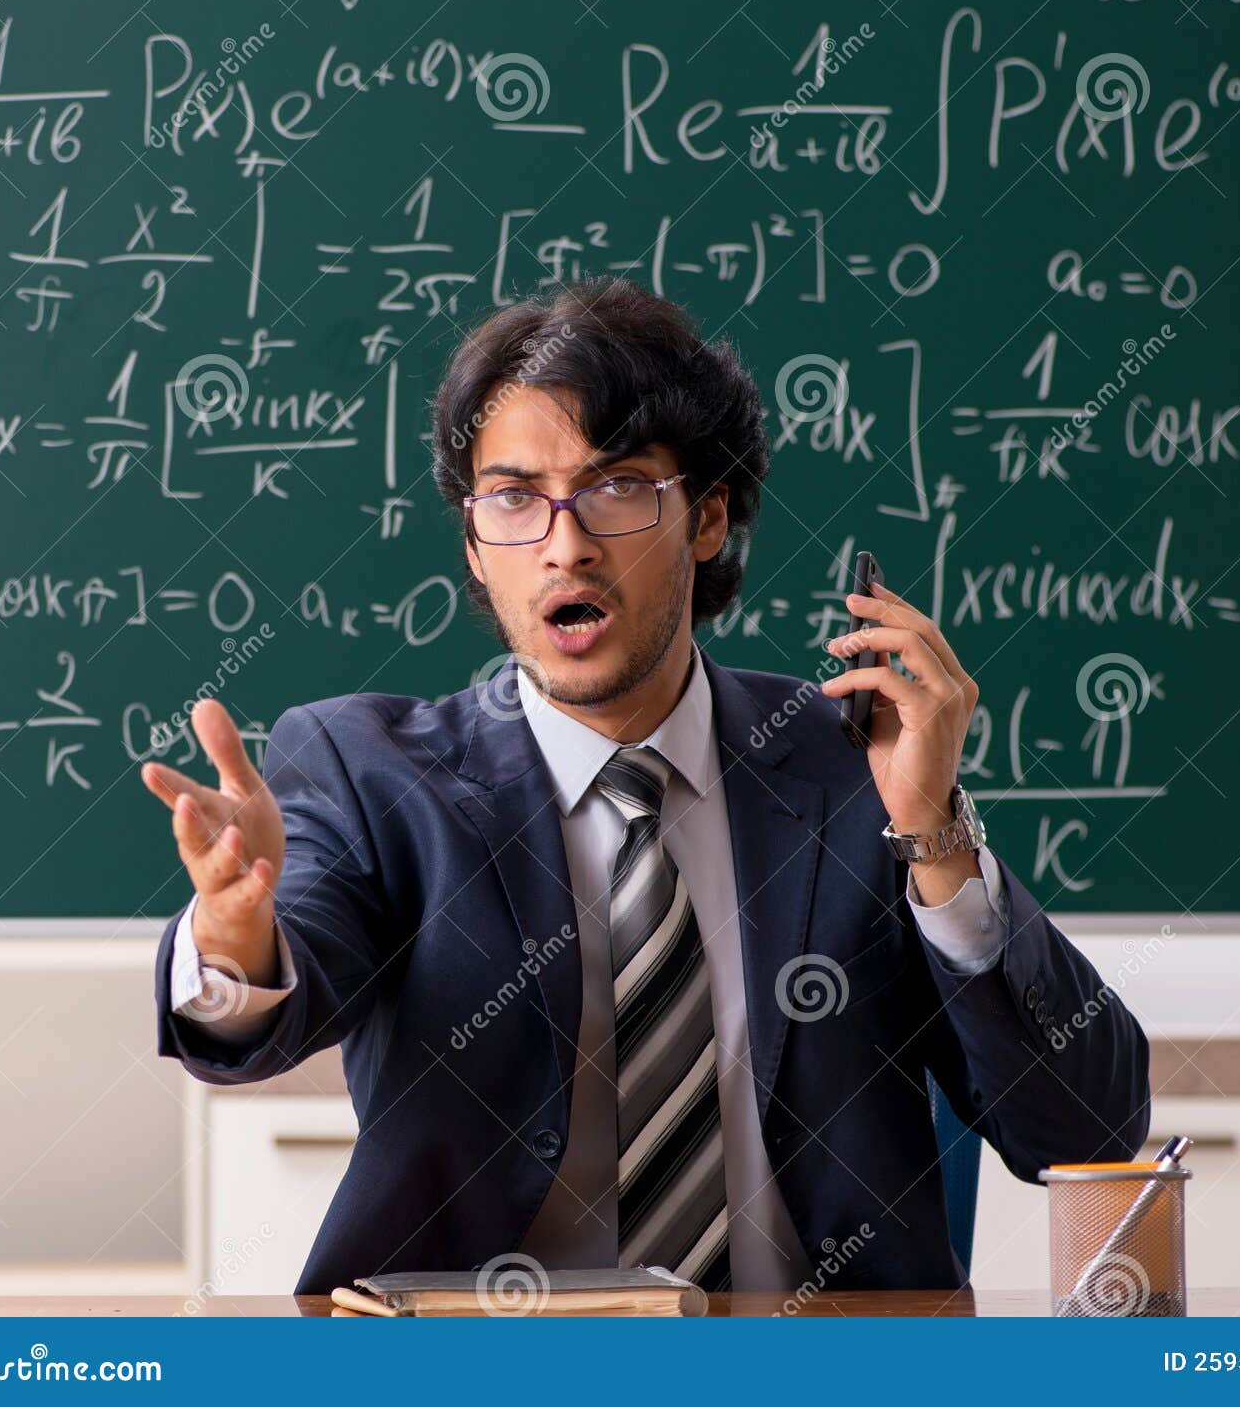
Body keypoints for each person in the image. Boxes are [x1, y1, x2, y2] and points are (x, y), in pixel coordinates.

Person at [146, 278, 1150, 1297]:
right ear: (474, 548)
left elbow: (1090, 1129)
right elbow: (265, 1005)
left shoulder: (853, 764)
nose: (564, 541)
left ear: (707, 516)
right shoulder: (373, 772)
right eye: (512, 499)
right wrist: (235, 937)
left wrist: (933, 831)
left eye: (618, 486)